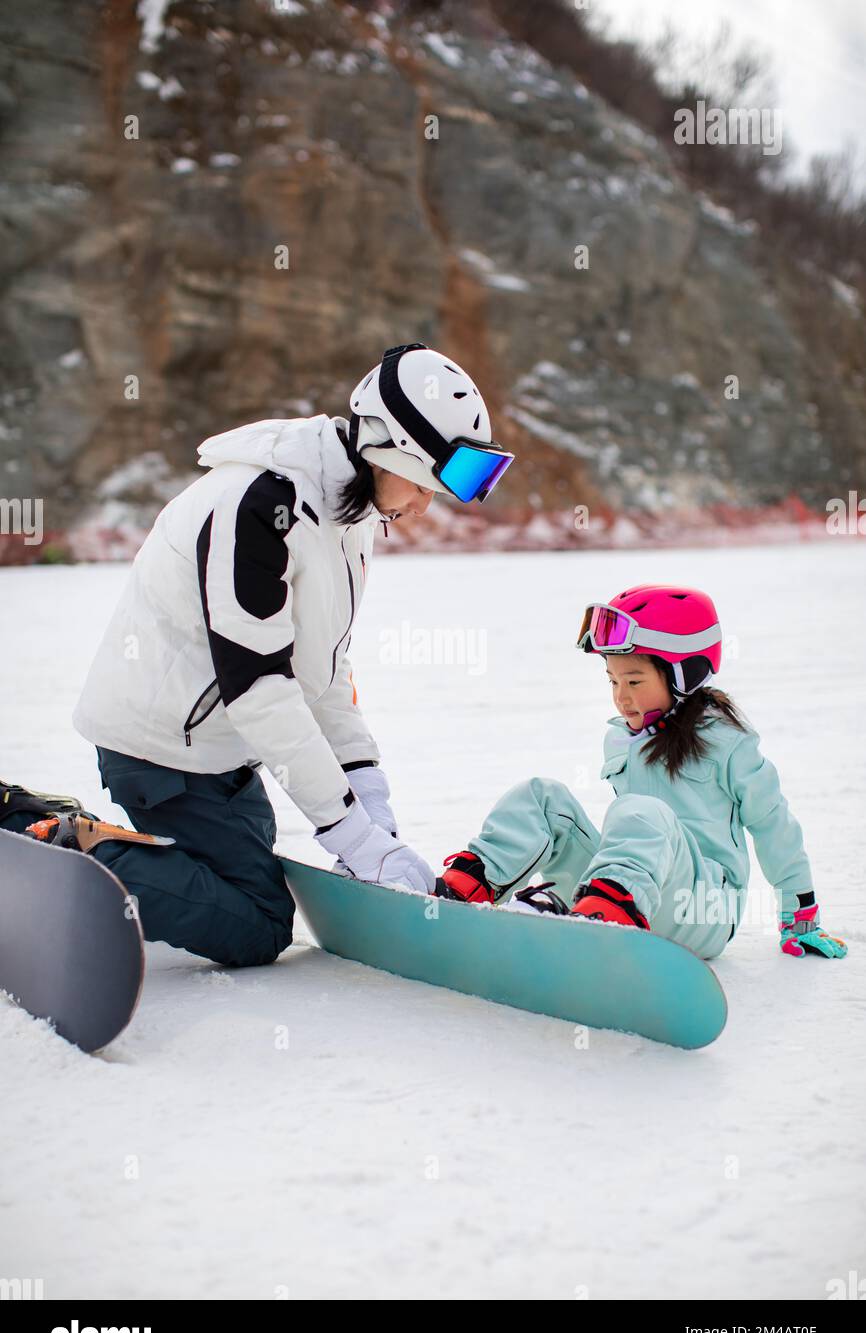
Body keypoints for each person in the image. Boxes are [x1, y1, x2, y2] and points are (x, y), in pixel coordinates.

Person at [1, 343, 514, 968]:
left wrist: (365, 792)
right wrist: (347, 831)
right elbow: (260, 687)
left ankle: (48, 821)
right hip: (160, 749)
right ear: (385, 448)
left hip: (223, 750)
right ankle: (55, 845)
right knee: (258, 923)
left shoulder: (349, 511)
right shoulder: (256, 506)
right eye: (424, 485)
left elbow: (324, 674)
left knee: (243, 881)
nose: (425, 506)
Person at [438, 585, 847, 962]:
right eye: (613, 680)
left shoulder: (728, 743)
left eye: (634, 680)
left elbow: (774, 824)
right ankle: (469, 889)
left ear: (683, 673)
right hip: (633, 895)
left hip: (703, 910)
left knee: (640, 812)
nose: (621, 696)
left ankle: (608, 917)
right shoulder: (622, 741)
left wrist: (801, 914)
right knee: (541, 796)